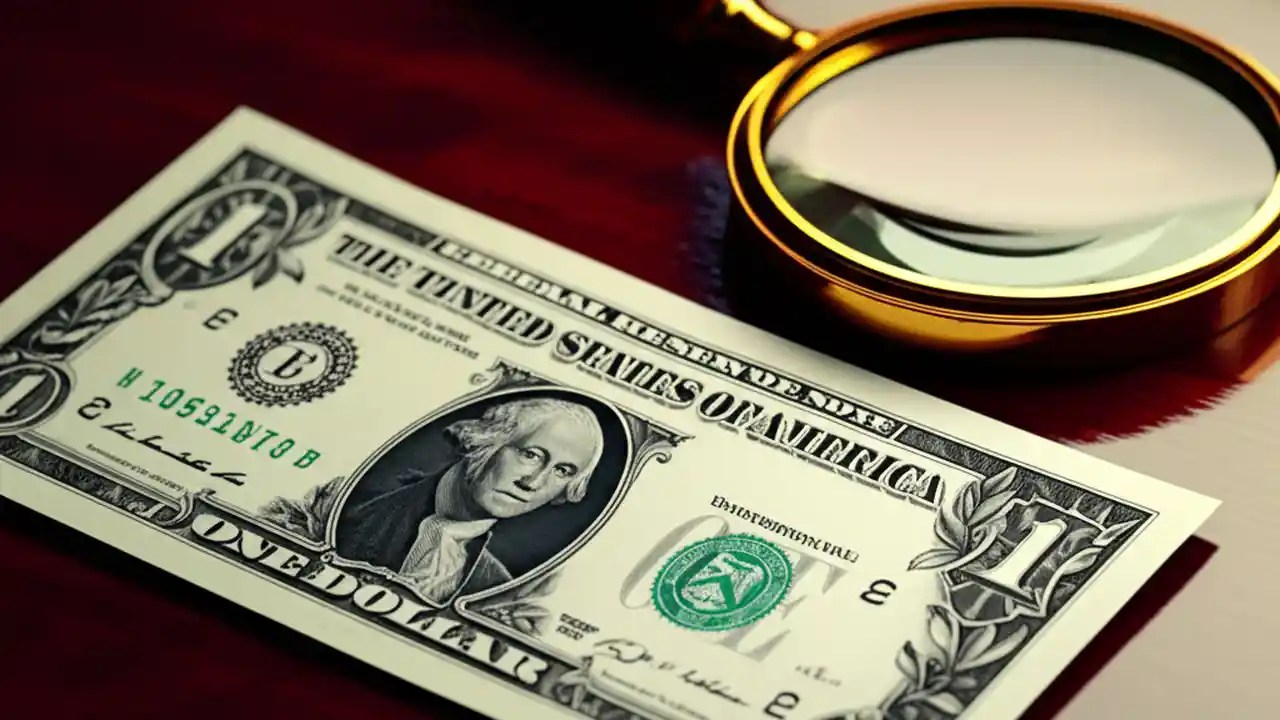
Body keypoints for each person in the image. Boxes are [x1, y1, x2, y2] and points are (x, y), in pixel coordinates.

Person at [336, 396, 605, 604]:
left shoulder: (494, 586)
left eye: (562, 471)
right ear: (486, 442)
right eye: (531, 455)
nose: (533, 483)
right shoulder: (343, 505)